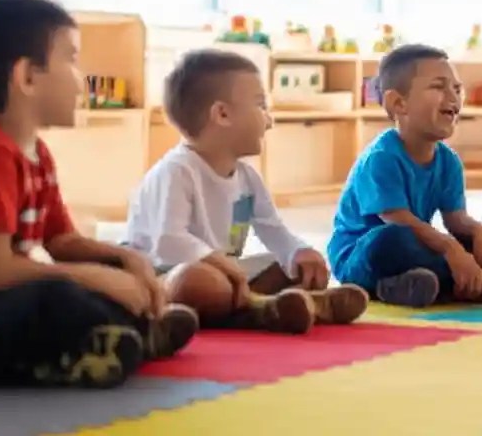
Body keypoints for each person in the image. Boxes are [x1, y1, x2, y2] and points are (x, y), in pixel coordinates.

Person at [0, 0, 197, 388]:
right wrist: (95, 279)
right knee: (58, 296)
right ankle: (76, 355)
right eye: (72, 60)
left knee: (93, 279)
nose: (82, 82)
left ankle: (124, 339)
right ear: (27, 76)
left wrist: (123, 261)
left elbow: (61, 240)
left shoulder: (33, 153)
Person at [125, 49, 368, 333]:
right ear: (222, 114)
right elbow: (169, 243)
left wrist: (298, 252)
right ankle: (265, 310)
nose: (269, 120)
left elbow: (272, 228)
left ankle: (279, 305)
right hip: (163, 276)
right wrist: (226, 268)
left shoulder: (246, 176)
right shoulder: (177, 171)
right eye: (260, 106)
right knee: (196, 280)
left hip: (224, 275)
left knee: (289, 267)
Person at [327, 44, 482, 308]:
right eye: (439, 86)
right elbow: (400, 221)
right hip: (364, 255)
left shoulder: (448, 160)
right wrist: (452, 250)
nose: (453, 97)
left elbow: (457, 221)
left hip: (423, 248)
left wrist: (480, 235)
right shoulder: (381, 157)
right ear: (398, 103)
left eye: (456, 88)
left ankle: (446, 281)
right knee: (390, 239)